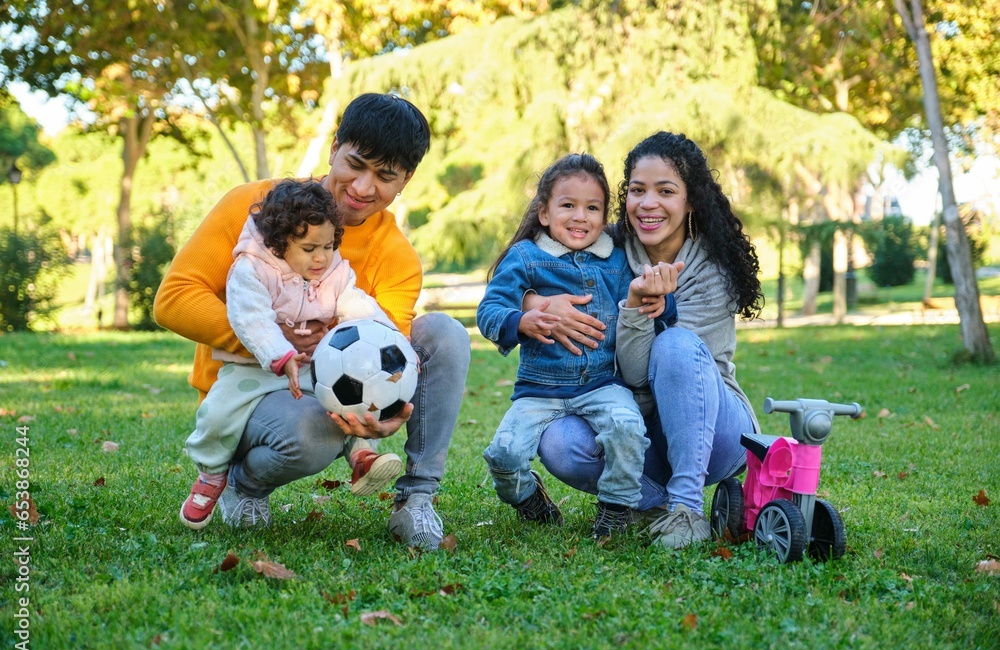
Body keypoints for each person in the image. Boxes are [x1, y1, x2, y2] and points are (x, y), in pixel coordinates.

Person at [155, 93, 471, 550]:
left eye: (385, 176)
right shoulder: (255, 205)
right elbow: (173, 299)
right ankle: (243, 482)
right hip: (243, 390)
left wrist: (383, 404)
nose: (363, 187)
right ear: (334, 147)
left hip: (322, 389)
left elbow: (387, 342)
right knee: (313, 434)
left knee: (444, 333)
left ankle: (417, 499)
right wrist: (272, 342)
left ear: (407, 179)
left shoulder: (397, 256)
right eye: (355, 164)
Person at [532, 131, 764, 549]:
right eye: (637, 190)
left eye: (666, 191)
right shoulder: (605, 249)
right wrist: (534, 301)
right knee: (559, 444)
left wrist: (638, 307)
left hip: (714, 433)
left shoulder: (711, 270)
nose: (648, 203)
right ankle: (657, 506)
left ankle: (688, 507)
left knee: (674, 345)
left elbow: (643, 372)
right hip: (633, 430)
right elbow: (528, 266)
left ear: (690, 200)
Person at [179, 178, 403, 530]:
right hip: (252, 367)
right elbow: (250, 317)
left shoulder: (333, 271)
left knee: (346, 394)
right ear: (281, 243)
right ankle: (211, 472)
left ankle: (360, 456)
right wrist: (280, 355)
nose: (321, 257)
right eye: (310, 247)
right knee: (218, 414)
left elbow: (358, 306)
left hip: (308, 365)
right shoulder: (251, 269)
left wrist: (393, 341)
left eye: (329, 245)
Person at [476, 153, 679, 538]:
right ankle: (527, 496)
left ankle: (616, 507)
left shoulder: (616, 260)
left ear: (605, 217)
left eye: (592, 208)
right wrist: (521, 320)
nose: (580, 217)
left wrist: (661, 301)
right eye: (567, 205)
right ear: (545, 213)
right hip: (539, 390)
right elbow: (489, 310)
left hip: (602, 385)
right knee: (504, 454)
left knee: (627, 429)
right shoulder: (527, 257)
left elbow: (641, 298)